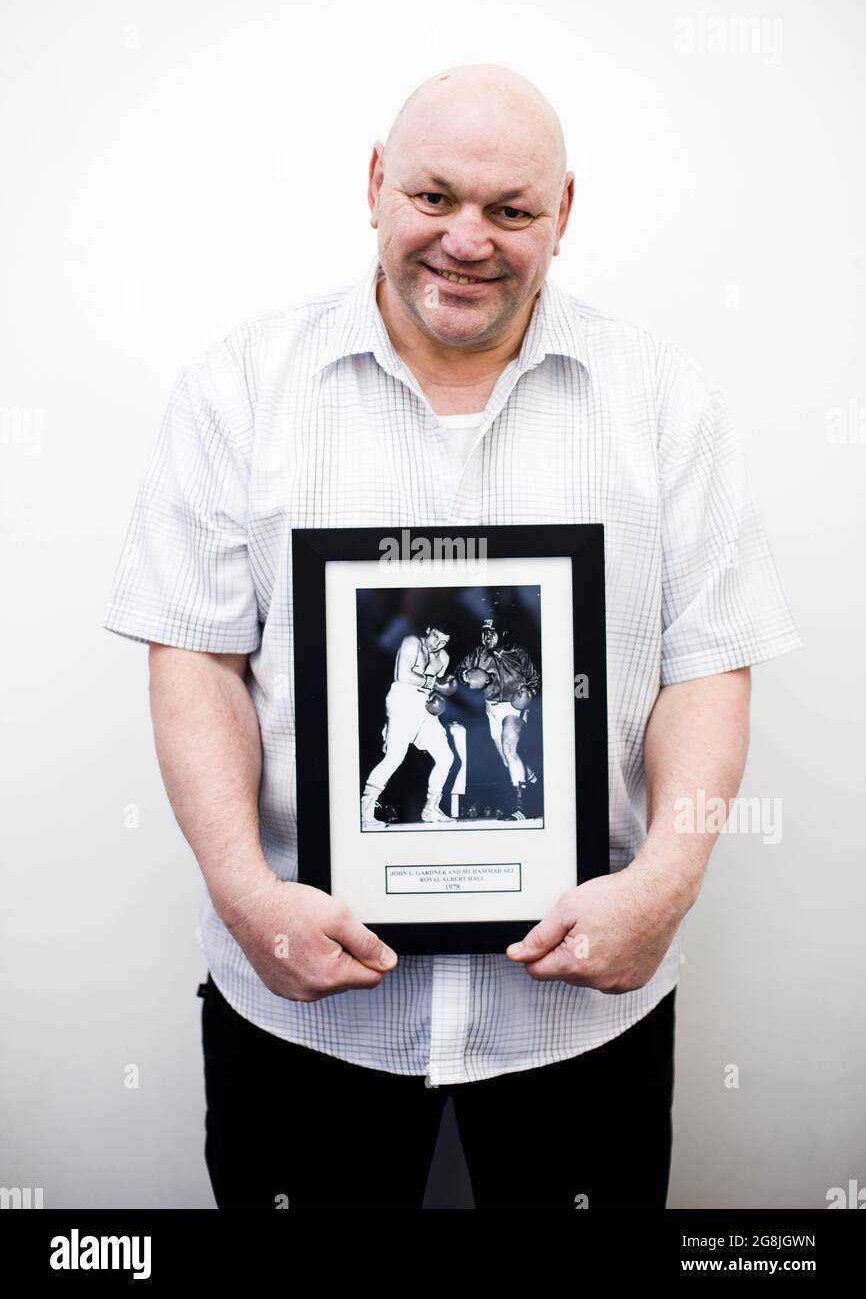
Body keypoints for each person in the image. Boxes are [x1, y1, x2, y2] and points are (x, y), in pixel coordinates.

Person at [104, 62, 802, 1210]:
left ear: (561, 215)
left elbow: (706, 668)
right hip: (304, 1009)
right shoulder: (240, 391)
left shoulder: (662, 404)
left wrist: (664, 884)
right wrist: (244, 892)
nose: (466, 240)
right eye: (433, 198)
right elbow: (195, 657)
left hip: (578, 1017)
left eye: (509, 211)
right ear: (376, 184)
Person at [360, 624, 457, 828]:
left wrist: (442, 694)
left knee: (446, 757)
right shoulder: (412, 642)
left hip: (425, 707)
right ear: (429, 630)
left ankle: (431, 809)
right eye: (436, 637)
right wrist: (435, 684)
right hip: (403, 700)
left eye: (444, 642)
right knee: (395, 757)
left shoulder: (444, 658)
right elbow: (403, 676)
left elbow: (432, 689)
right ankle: (365, 811)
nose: (438, 644)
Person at [458, 616, 540, 819]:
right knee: (507, 759)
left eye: (491, 632)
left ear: (502, 633)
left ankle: (521, 807)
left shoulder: (519, 653)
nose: (487, 637)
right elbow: (459, 671)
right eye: (484, 632)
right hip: (491, 710)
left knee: (510, 751)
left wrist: (527, 693)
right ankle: (533, 779)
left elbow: (535, 679)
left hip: (513, 709)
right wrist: (467, 675)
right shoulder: (478, 654)